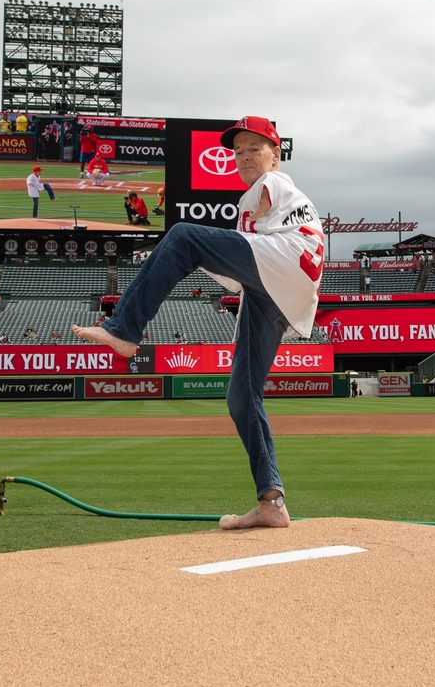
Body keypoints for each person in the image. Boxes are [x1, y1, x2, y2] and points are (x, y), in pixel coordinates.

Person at [72, 116, 324, 530]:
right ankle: (272, 502)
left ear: (276, 156)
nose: (244, 157)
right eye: (238, 151)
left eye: (255, 149)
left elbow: (264, 198)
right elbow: (239, 258)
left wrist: (214, 241)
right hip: (278, 288)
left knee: (183, 235)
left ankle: (123, 330)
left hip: (285, 263)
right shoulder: (265, 204)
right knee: (241, 396)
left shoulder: (275, 183)